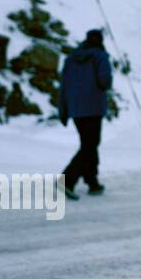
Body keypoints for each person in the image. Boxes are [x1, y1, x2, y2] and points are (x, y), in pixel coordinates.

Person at [58, 29, 113, 198]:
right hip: (94, 106)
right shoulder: (100, 56)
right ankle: (66, 181)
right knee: (90, 145)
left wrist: (64, 110)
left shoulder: (71, 59)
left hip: (76, 109)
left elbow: (63, 85)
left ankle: (92, 182)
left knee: (88, 144)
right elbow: (105, 81)